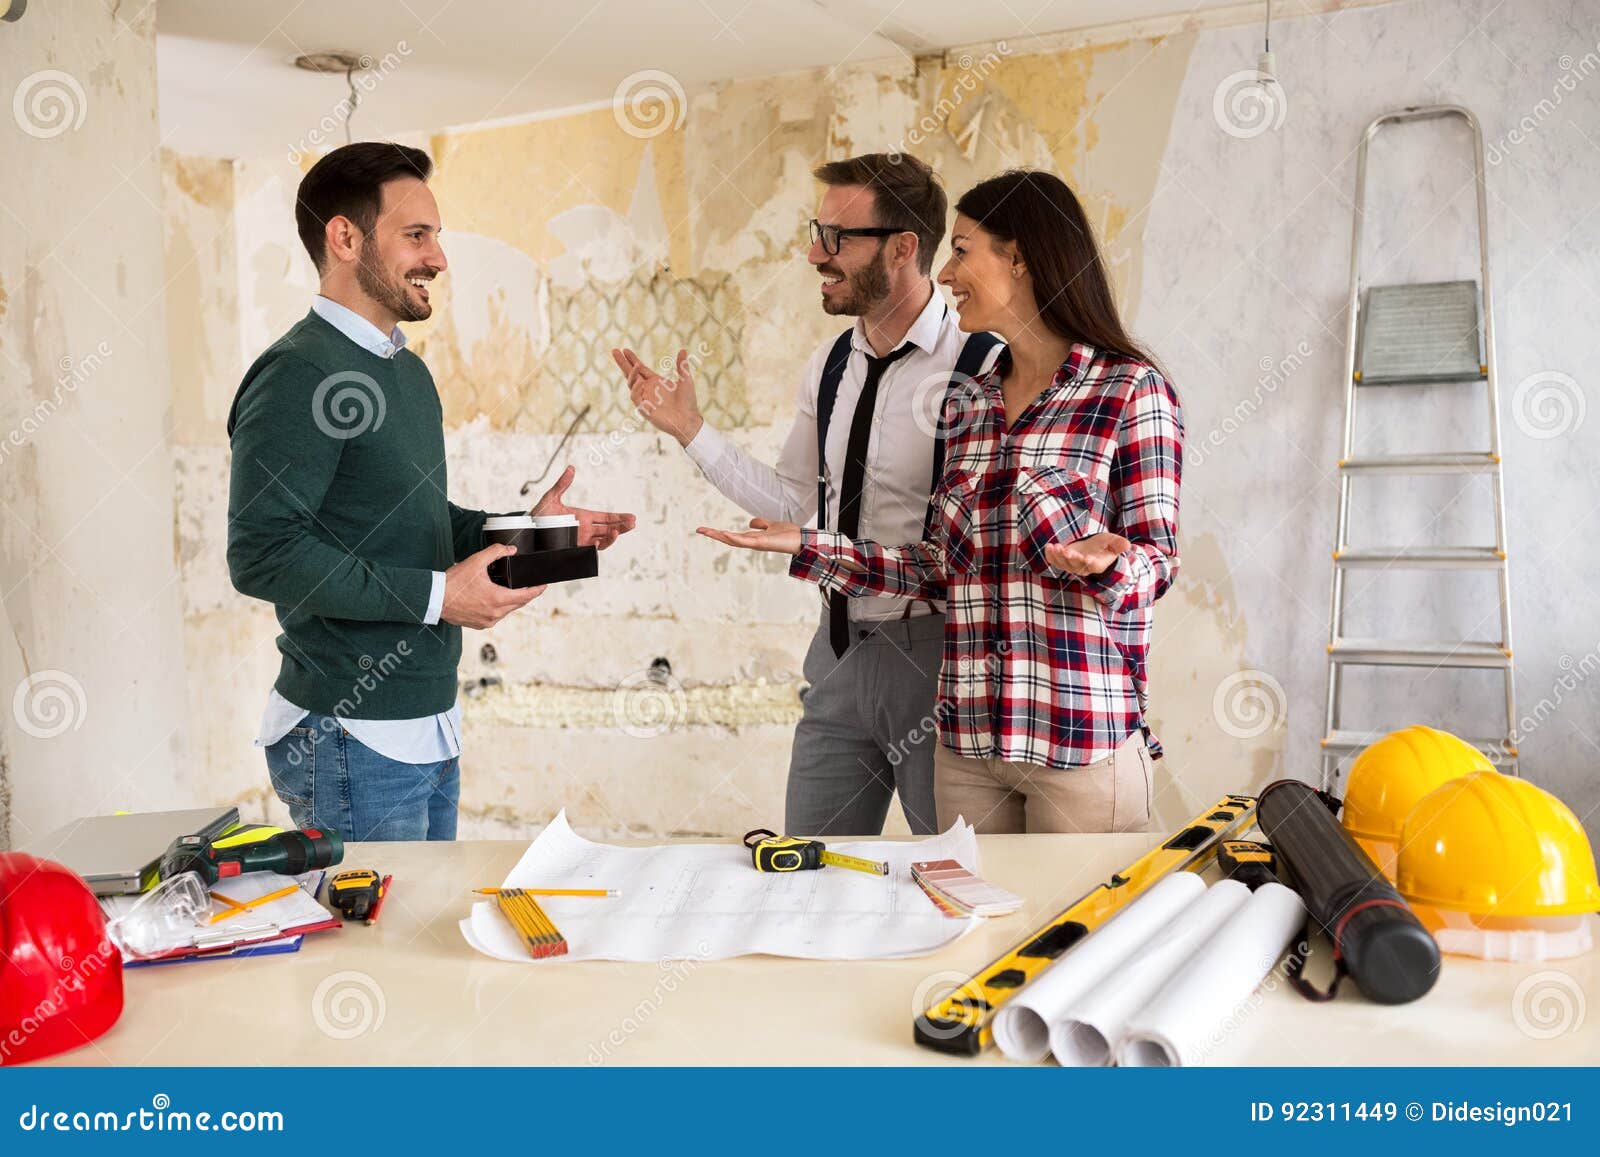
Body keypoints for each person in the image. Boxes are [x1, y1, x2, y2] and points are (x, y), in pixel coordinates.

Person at [699, 169, 1182, 835]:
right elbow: (937, 566)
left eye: (960, 249)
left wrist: (1111, 566)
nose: (946, 269)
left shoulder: (1129, 391)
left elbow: (1158, 563)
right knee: (969, 931)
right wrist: (807, 547)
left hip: (1077, 738)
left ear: (1019, 257)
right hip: (969, 746)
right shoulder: (972, 402)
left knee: (1076, 936)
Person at [226, 141, 634, 841]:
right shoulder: (298, 372)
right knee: (381, 952)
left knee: (421, 948)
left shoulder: (404, 373)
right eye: (417, 235)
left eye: (437, 237)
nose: (439, 259)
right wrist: (441, 596)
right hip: (351, 734)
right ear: (345, 237)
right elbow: (262, 554)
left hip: (428, 724)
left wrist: (533, 533)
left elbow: (411, 519)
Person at [612, 153, 1001, 837]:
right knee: (805, 871)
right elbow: (794, 506)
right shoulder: (829, 366)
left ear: (904, 247)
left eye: (837, 238)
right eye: (815, 231)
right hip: (839, 649)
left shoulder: (983, 362)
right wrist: (690, 430)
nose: (815, 253)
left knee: (952, 879)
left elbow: (979, 550)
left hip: (940, 661)